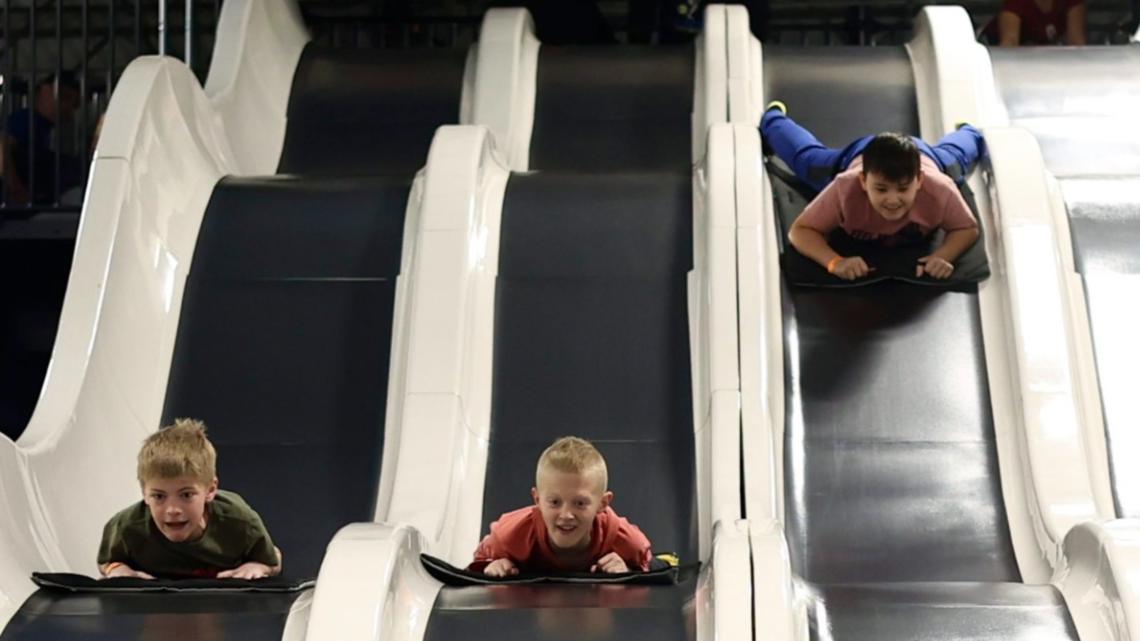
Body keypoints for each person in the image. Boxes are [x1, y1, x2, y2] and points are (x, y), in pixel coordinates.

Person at [760, 101, 983, 281]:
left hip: (925, 157)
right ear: (863, 181)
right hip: (859, 155)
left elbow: (967, 228)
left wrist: (943, 256)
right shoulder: (845, 187)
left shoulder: (939, 187)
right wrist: (835, 262)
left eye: (903, 189)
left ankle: (968, 130)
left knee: (956, 156)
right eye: (881, 189)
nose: (893, 200)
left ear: (919, 181)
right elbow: (800, 231)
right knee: (806, 160)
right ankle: (773, 117)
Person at [97, 418, 282, 580]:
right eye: (159, 496)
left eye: (186, 495)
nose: (172, 509)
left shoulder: (239, 521)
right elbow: (107, 562)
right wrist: (118, 569)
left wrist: (258, 566)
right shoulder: (127, 526)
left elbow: (273, 560)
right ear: (144, 493)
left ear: (210, 490)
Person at [470, 436, 652, 576]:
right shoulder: (511, 536)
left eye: (580, 503)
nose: (566, 514)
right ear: (537, 499)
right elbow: (478, 559)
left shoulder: (624, 541)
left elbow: (647, 565)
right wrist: (491, 565)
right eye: (555, 502)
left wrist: (627, 570)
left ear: (602, 504)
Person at [2, 72, 82, 205]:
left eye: (74, 105)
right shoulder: (26, 120)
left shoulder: (42, 127)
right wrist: (16, 189)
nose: (68, 108)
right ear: (44, 91)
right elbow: (1, 146)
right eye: (64, 97)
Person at [984, 0, 1087, 46]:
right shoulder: (1016, 2)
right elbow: (1010, 42)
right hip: (991, 46)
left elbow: (1076, 41)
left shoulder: (1071, 2)